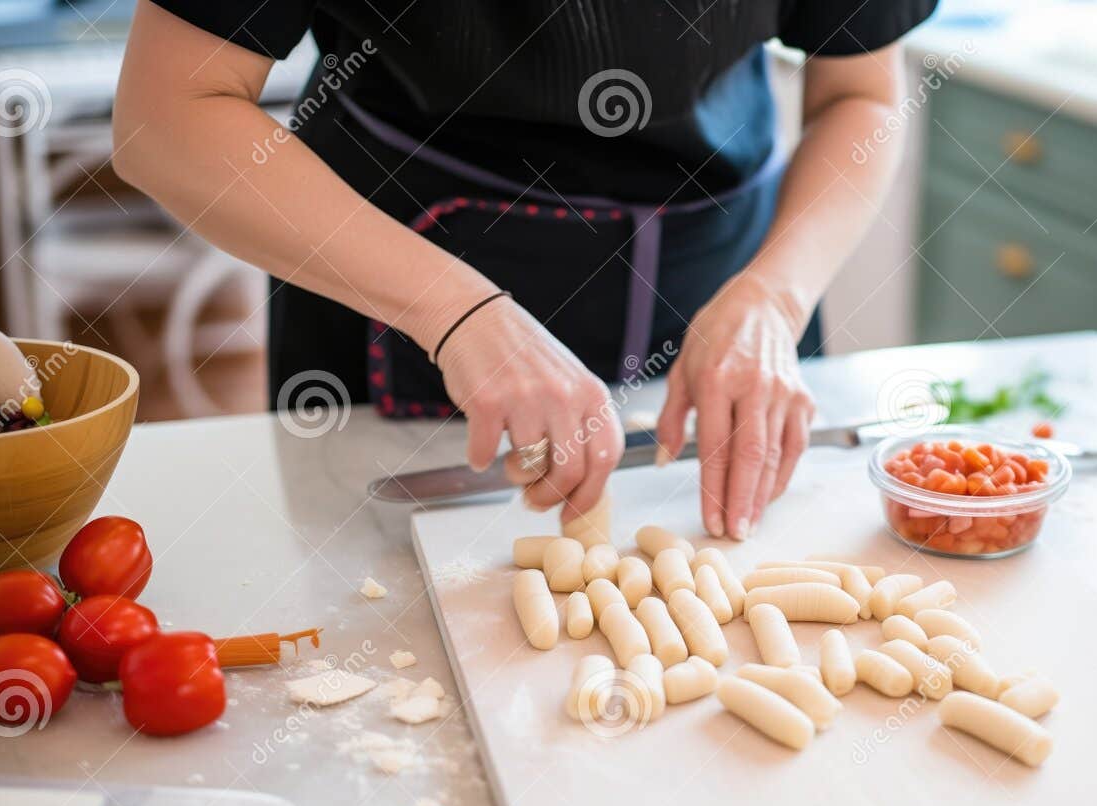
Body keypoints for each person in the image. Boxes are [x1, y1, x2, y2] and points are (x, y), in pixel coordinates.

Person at [113, 1, 936, 538]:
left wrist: (773, 299)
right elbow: (167, 116)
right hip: (395, 291)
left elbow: (861, 94)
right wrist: (457, 313)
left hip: (724, 283)